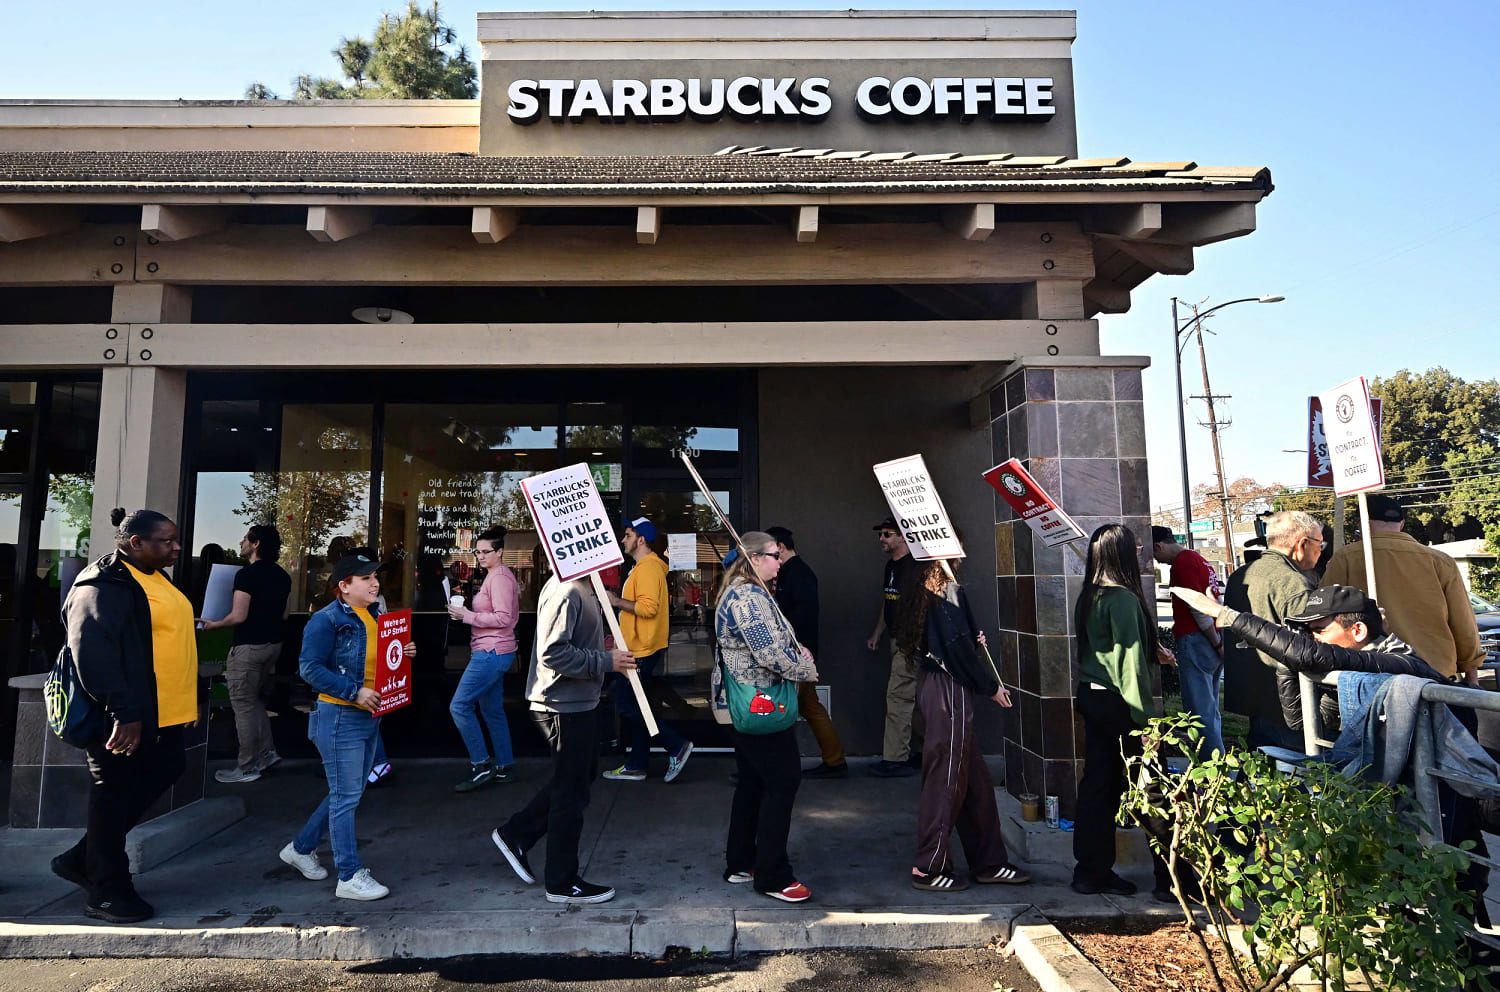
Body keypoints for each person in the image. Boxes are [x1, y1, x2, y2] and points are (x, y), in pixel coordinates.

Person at [1173, 581, 1492, 926]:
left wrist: (1227, 616)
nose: (1313, 638)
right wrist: (1287, 662)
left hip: (1446, 806)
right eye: (1307, 632)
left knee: (1456, 904)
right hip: (1406, 802)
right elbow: (1300, 718)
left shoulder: (1395, 660)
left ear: (1358, 630)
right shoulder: (1349, 672)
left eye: (1319, 629)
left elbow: (1315, 656)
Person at [49, 508, 199, 924]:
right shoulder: (103, 584)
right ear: (135, 543)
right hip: (120, 717)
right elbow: (92, 654)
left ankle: (83, 858)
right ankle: (107, 891)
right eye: (166, 541)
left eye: (175, 539)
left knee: (169, 766)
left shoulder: (151, 577)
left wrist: (186, 700)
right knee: (111, 796)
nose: (176, 547)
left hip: (159, 715)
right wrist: (123, 711)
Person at [490, 567, 636, 904]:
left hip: (576, 702)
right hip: (561, 705)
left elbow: (571, 644)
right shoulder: (567, 590)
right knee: (571, 792)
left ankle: (516, 833)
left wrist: (601, 647)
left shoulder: (581, 587)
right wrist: (605, 660)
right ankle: (561, 880)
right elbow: (552, 653)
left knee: (578, 779)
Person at [279, 552, 414, 902]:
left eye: (376, 577)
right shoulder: (325, 621)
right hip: (340, 716)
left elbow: (378, 660)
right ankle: (349, 875)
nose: (375, 583)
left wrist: (402, 650)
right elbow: (309, 668)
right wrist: (354, 691)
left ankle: (301, 847)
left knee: (347, 792)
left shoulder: (374, 615)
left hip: (368, 715)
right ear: (344, 586)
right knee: (346, 795)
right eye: (366, 578)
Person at [893, 560, 1032, 891]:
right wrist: (990, 686)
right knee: (948, 778)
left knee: (974, 782)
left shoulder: (921, 587)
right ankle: (930, 867)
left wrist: (969, 637)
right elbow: (955, 647)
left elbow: (948, 639)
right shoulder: (947, 589)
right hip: (949, 689)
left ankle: (989, 862)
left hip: (936, 684)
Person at [1071, 523, 1179, 900]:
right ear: (1120, 555)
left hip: (1092, 696)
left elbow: (1110, 649)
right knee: (1154, 789)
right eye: (1134, 549)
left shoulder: (1090, 595)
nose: (1140, 553)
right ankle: (1173, 881)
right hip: (1121, 702)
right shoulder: (1123, 599)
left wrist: (1154, 651)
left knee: (1097, 787)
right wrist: (1146, 723)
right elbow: (1129, 667)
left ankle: (1090, 872)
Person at [715, 532, 820, 902]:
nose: (780, 561)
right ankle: (773, 875)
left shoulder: (747, 592)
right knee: (783, 781)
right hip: (761, 705)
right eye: (775, 555)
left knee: (753, 783)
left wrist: (798, 649)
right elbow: (768, 654)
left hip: (748, 706)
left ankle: (742, 862)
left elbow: (777, 640)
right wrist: (805, 670)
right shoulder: (747, 596)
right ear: (756, 558)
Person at [1320, 494, 1484, 685]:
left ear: (1361, 522)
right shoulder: (1440, 561)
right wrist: (1472, 677)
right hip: (1437, 675)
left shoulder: (1345, 559)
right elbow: (1463, 623)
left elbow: (1323, 617)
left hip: (1372, 675)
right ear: (1402, 523)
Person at [1222, 510, 1322, 752]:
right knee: (1294, 767)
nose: (1320, 551)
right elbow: (1310, 642)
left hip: (1251, 688)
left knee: (1261, 760)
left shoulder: (1240, 575)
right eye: (1320, 544)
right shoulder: (1293, 581)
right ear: (1303, 544)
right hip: (1287, 696)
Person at [603, 517, 694, 783]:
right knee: (635, 705)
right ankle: (636, 764)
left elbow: (648, 608)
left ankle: (676, 746)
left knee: (630, 706)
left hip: (640, 650)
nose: (623, 539)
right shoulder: (645, 568)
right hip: (637, 646)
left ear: (641, 539)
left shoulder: (648, 569)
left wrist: (617, 601)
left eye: (628, 534)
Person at [200, 524, 291, 784]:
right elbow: (284, 615)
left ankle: (247, 766)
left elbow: (238, 616)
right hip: (273, 647)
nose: (241, 543)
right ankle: (267, 753)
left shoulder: (246, 575)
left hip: (248, 647)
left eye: (245, 539)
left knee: (242, 706)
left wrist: (214, 624)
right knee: (255, 702)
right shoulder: (283, 576)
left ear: (256, 543)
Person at [766, 525, 847, 779]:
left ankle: (830, 761)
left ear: (779, 547)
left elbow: (805, 613)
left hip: (797, 653)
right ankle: (834, 760)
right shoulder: (789, 572)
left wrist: (783, 634)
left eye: (768, 550)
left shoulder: (799, 573)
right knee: (807, 706)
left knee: (791, 708)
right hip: (795, 651)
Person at [447, 525, 520, 792]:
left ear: (500, 552)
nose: (480, 556)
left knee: (460, 706)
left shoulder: (499, 577)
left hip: (490, 652)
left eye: (486, 552)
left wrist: (465, 616)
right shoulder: (496, 576)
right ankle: (505, 766)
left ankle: (481, 764)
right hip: (496, 651)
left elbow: (503, 618)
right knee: (492, 710)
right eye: (477, 552)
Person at [1150, 526, 1225, 756]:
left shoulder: (1182, 562)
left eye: (1155, 555)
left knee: (1198, 712)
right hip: (1211, 637)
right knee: (1210, 710)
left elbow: (1197, 606)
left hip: (1197, 638)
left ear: (1159, 545)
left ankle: (1211, 770)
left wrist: (1216, 643)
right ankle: (1218, 763)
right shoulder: (1198, 559)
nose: (1158, 561)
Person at [866, 517, 921, 778]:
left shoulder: (916, 567)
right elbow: (888, 601)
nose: (882, 539)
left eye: (887, 534)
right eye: (880, 534)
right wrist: (878, 631)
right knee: (910, 696)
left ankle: (896, 759)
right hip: (895, 638)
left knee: (898, 696)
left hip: (910, 641)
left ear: (903, 537)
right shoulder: (891, 566)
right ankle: (917, 753)